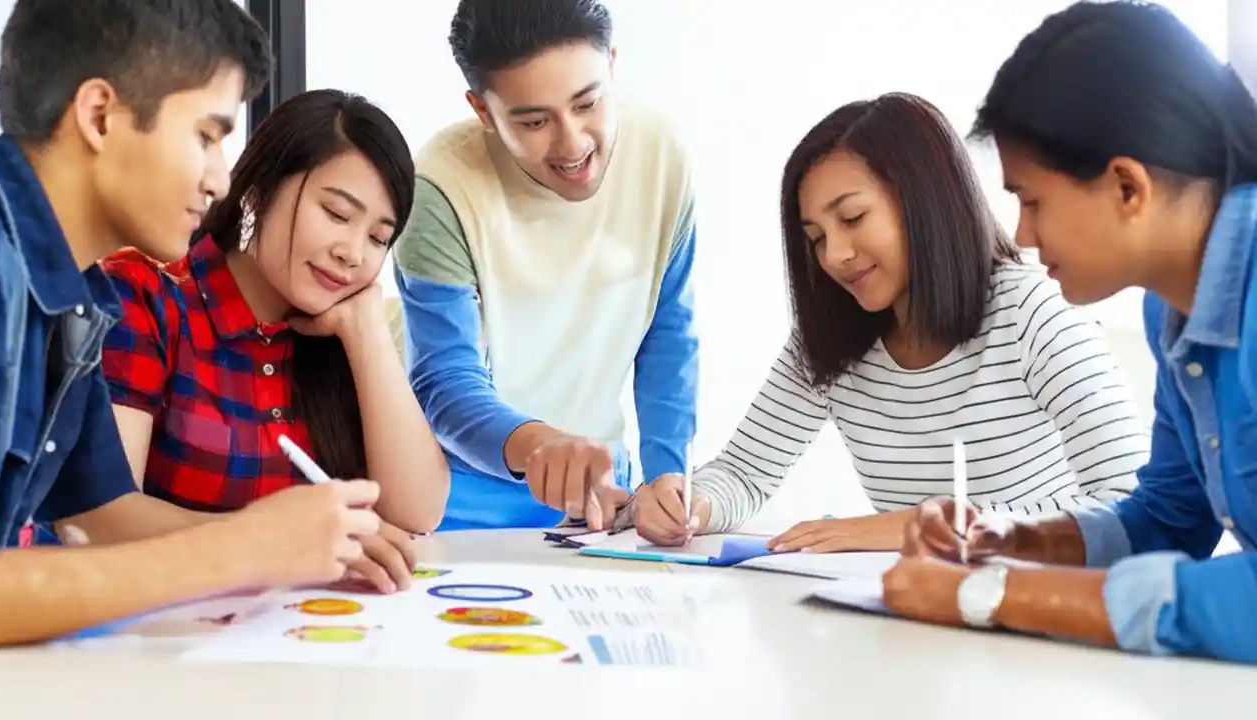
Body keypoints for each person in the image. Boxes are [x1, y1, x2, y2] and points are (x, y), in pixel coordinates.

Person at [0, 0, 385, 649]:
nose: (221, 180)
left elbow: (104, 507)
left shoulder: (76, 293)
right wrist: (241, 548)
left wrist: (297, 542)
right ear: (100, 115)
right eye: (206, 135)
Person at [883, 1, 1257, 665]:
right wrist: (1018, 540)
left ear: (1125, 187)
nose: (1023, 236)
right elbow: (1172, 519)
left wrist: (987, 597)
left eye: (1031, 201)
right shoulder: (1170, 309)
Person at [634, 93, 1149, 548]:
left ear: (925, 201)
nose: (834, 254)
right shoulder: (830, 336)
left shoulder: (1032, 312)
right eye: (815, 237)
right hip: (915, 612)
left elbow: (1132, 502)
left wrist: (928, 526)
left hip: (1037, 609)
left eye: (853, 219)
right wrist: (687, 504)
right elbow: (745, 474)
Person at [101, 89, 449, 594]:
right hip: (167, 637)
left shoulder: (335, 334)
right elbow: (105, 515)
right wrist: (272, 543)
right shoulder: (147, 296)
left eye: (378, 238)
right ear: (257, 194)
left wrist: (366, 331)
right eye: (335, 213)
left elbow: (419, 512)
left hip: (308, 642)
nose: (352, 252)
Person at [394, 0, 697, 530]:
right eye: (535, 121)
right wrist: (543, 447)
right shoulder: (439, 189)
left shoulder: (661, 157)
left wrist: (666, 475)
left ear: (613, 64)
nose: (573, 143)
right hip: (453, 485)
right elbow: (445, 380)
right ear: (483, 111)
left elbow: (667, 332)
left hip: (597, 481)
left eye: (588, 104)